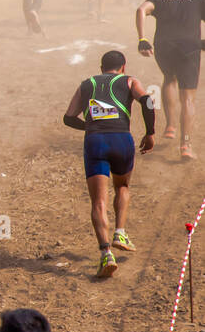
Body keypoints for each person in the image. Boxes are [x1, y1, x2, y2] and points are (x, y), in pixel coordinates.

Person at [62, 50, 155, 277]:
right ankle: (120, 232)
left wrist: (92, 128)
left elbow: (68, 117)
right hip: (121, 139)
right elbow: (148, 101)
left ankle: (106, 254)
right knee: (122, 186)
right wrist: (150, 132)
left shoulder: (87, 84)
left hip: (95, 142)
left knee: (98, 202)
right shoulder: (129, 80)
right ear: (123, 66)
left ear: (100, 67)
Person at [136, 0, 205, 155]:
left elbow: (141, 9)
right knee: (188, 97)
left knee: (169, 78)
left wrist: (142, 39)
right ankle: (186, 145)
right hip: (189, 47)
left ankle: (170, 126)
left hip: (164, 46)